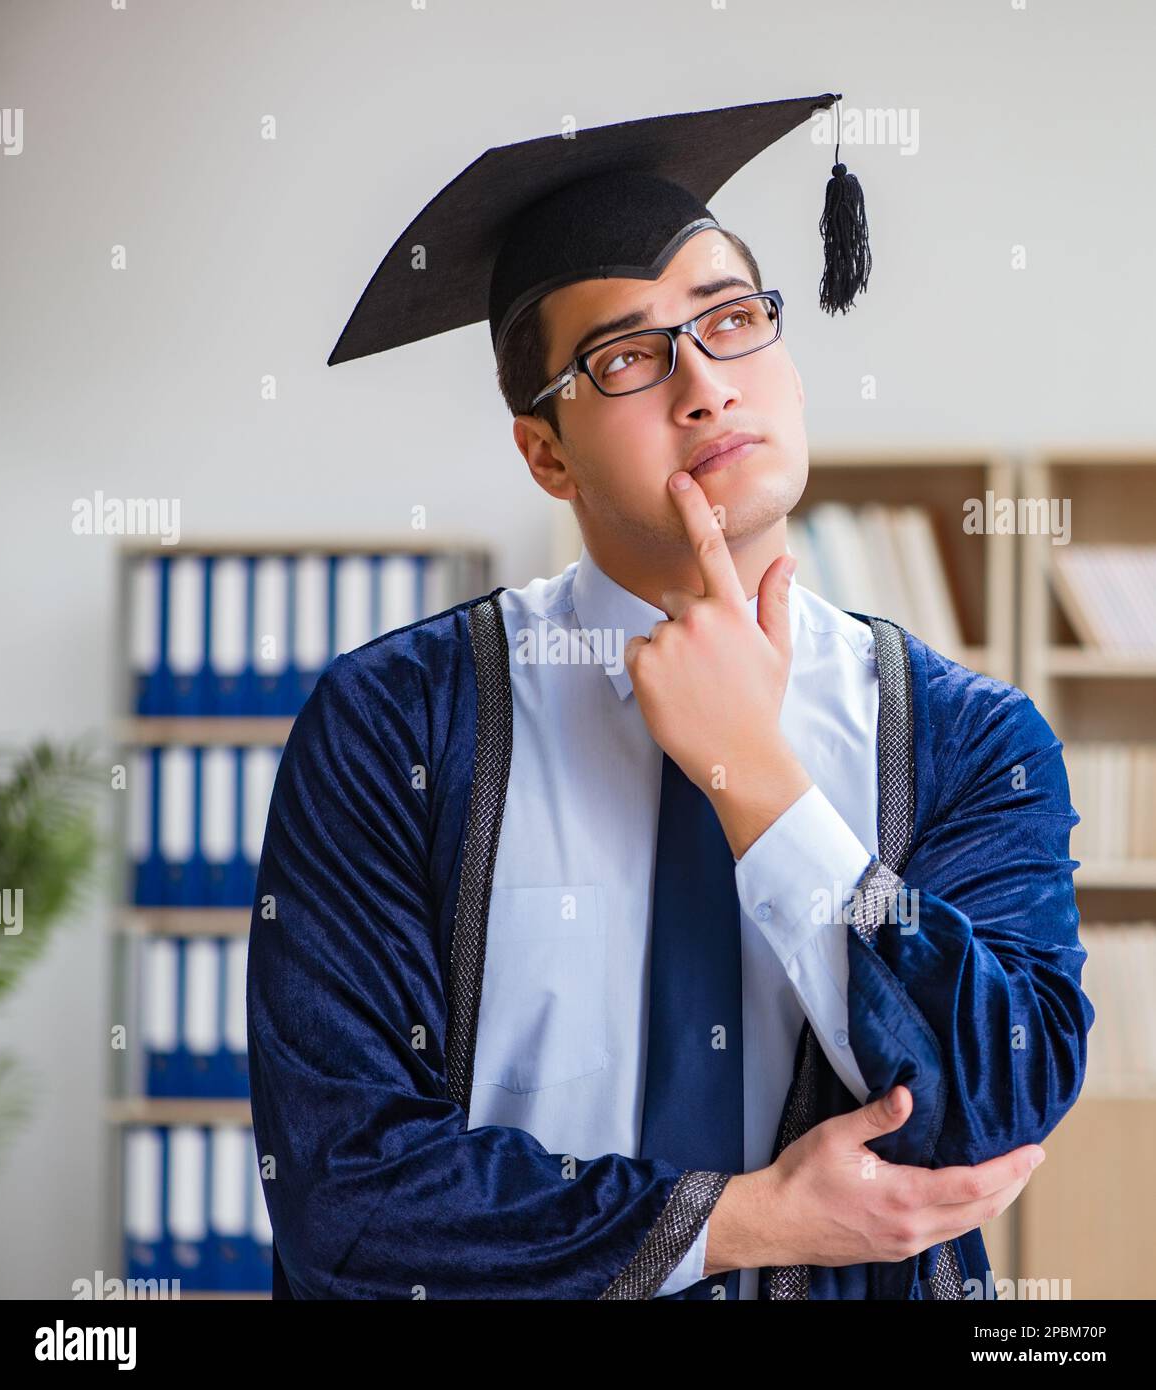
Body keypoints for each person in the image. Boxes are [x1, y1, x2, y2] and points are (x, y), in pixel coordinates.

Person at [246, 93, 1095, 1299]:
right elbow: (345, 1196)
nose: (704, 386)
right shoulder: (395, 724)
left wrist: (759, 782)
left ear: (789, 372)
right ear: (546, 453)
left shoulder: (969, 736)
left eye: (733, 320)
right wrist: (745, 1221)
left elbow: (994, 1097)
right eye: (629, 356)